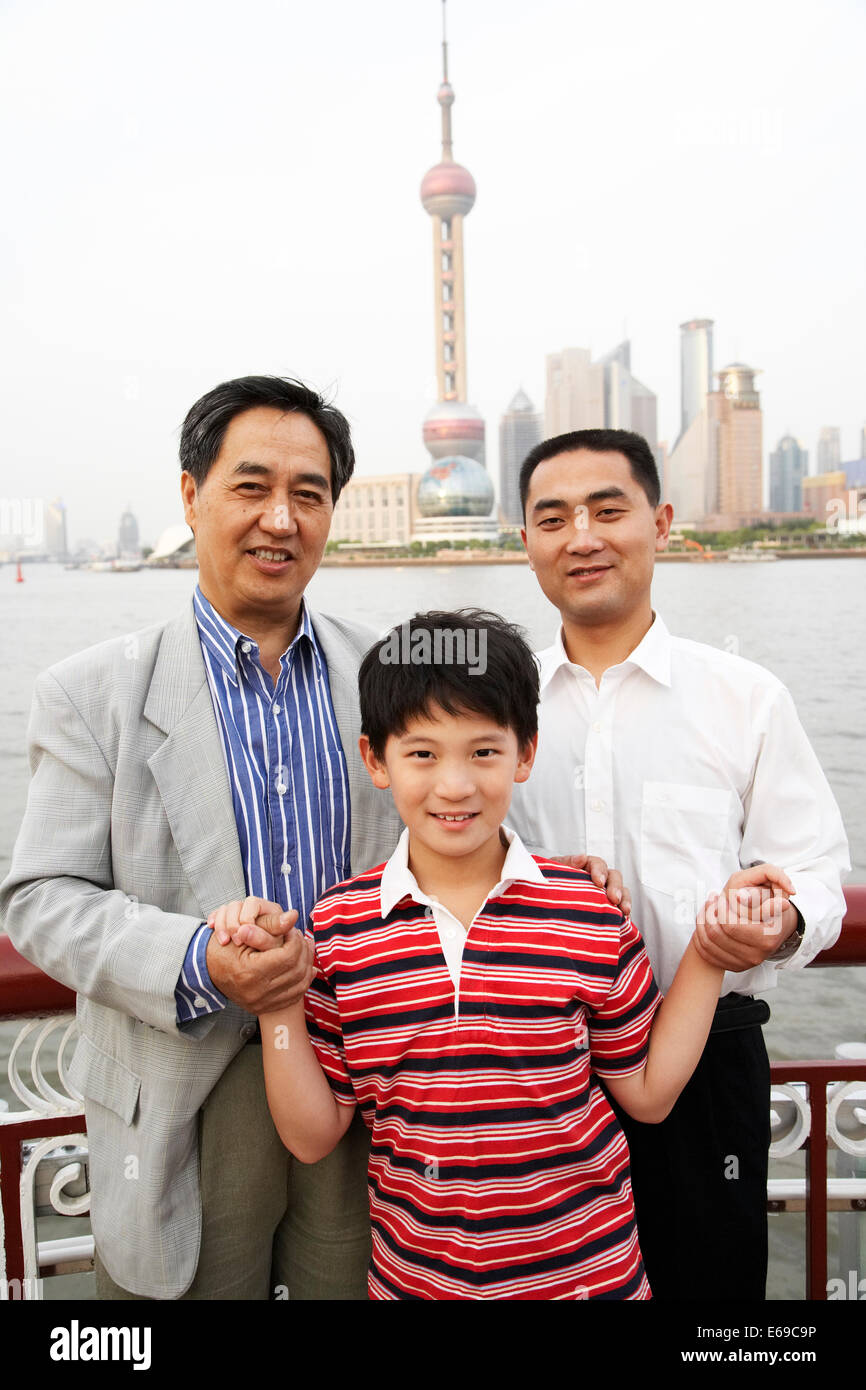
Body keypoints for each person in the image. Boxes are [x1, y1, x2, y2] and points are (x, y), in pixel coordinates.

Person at [225, 609, 782, 1300]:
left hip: (592, 1282)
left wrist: (709, 949)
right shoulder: (339, 928)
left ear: (525, 754)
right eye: (422, 754)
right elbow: (313, 1136)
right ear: (375, 759)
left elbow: (649, 1092)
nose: (455, 785)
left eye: (484, 752)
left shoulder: (586, 910)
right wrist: (276, 999)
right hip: (416, 1286)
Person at [0, 375, 409, 1300]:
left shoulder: (390, 672)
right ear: (191, 496)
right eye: (250, 487)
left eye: (309, 494)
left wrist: (552, 871)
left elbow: (456, 830)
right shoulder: (92, 693)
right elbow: (42, 899)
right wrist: (200, 961)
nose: (280, 519)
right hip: (184, 1089)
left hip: (366, 1087)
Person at [506, 428, 850, 1300]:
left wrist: (777, 923)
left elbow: (814, 871)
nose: (582, 537)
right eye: (554, 518)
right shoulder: (497, 711)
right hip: (538, 1064)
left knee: (712, 1299)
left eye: (608, 510)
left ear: (660, 523)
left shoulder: (744, 697)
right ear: (527, 542)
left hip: (707, 1062)